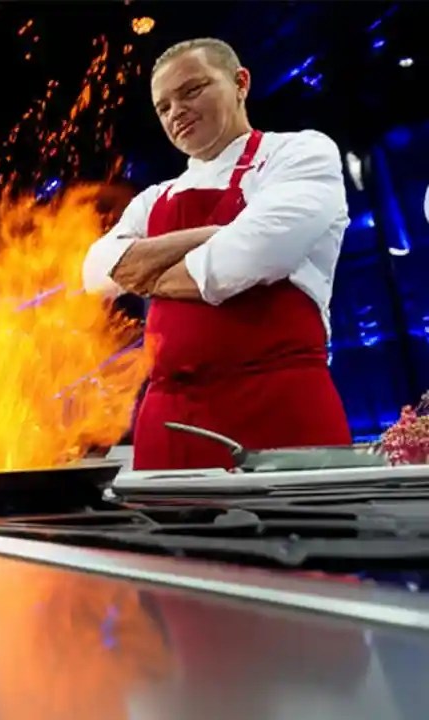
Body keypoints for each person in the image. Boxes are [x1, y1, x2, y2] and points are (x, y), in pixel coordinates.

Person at [82, 38, 352, 470]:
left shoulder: (299, 153)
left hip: (281, 413)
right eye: (163, 107)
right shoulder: (154, 198)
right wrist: (216, 234)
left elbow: (248, 256)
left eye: (192, 91)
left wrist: (145, 272)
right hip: (169, 426)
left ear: (240, 82)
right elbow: (96, 272)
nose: (177, 113)